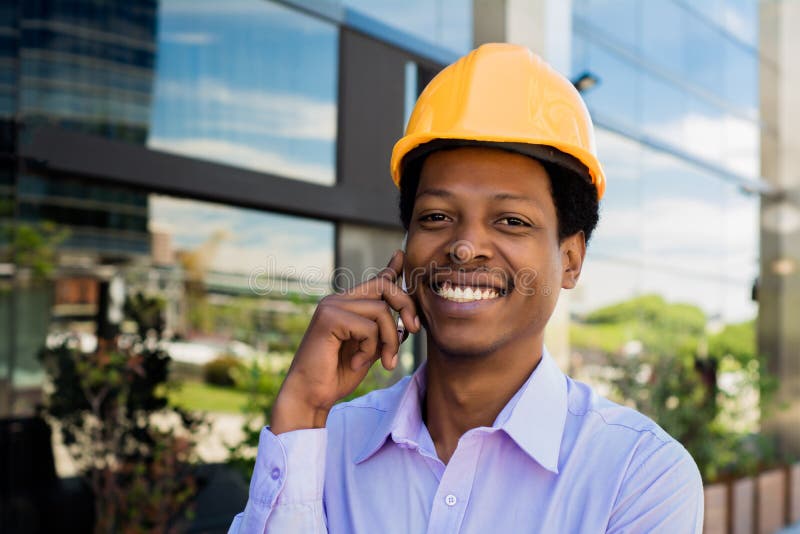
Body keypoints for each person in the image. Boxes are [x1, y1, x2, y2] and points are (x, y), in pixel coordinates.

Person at [229, 43, 704, 533]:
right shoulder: (319, 441)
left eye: (511, 220)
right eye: (436, 216)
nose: (463, 247)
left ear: (570, 258)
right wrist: (303, 410)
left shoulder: (638, 474)